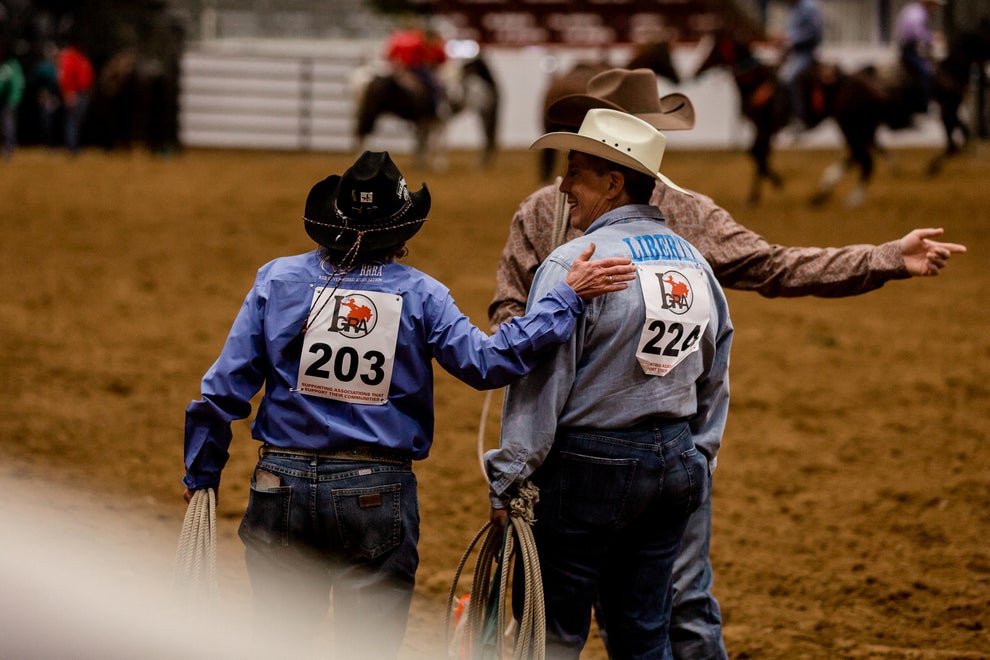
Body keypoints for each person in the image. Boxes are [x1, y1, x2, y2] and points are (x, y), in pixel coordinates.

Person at [487, 67, 968, 660]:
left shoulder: (673, 215)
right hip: (661, 447)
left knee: (615, 610)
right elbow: (511, 313)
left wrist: (885, 256)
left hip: (581, 451)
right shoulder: (572, 216)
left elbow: (774, 265)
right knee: (656, 611)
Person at [181, 150, 635, 658]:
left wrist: (201, 474)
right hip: (375, 491)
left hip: (279, 484)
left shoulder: (277, 281)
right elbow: (487, 363)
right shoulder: (422, 294)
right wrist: (564, 298)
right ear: (402, 232)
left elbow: (222, 390)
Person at [484, 108, 734, 658]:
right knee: (644, 633)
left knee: (549, 635)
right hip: (673, 461)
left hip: (587, 468)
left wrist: (509, 479)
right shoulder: (696, 263)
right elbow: (716, 367)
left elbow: (541, 384)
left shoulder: (576, 263)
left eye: (576, 172)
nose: (565, 185)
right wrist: (699, 456)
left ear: (614, 182)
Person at [384, 22, 447, 116]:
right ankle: (433, 111)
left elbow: (389, 56)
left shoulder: (399, 39)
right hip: (415, 68)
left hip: (402, 69)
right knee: (434, 86)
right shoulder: (418, 42)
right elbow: (426, 58)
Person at [778, 0, 824, 126]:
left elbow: (815, 33)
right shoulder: (793, 8)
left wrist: (791, 40)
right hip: (794, 54)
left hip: (806, 54)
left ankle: (799, 117)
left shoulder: (810, 7)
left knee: (789, 79)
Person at [895, 0, 944, 112]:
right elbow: (916, 32)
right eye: (935, 6)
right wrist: (932, 38)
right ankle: (925, 103)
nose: (935, 9)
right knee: (926, 72)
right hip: (909, 49)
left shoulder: (912, 9)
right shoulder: (919, 14)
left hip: (910, 47)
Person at [56, 38, 94, 154]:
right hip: (75, 93)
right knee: (72, 122)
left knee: (77, 122)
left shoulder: (80, 57)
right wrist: (68, 92)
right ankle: (72, 149)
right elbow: (65, 77)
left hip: (82, 92)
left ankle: (75, 147)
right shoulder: (69, 58)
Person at [0, 42, 25, 160]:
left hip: (9, 101)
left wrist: (13, 101)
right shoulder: (5, 65)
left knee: (8, 125)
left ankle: (9, 149)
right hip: (4, 101)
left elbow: (15, 85)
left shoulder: (10, 66)